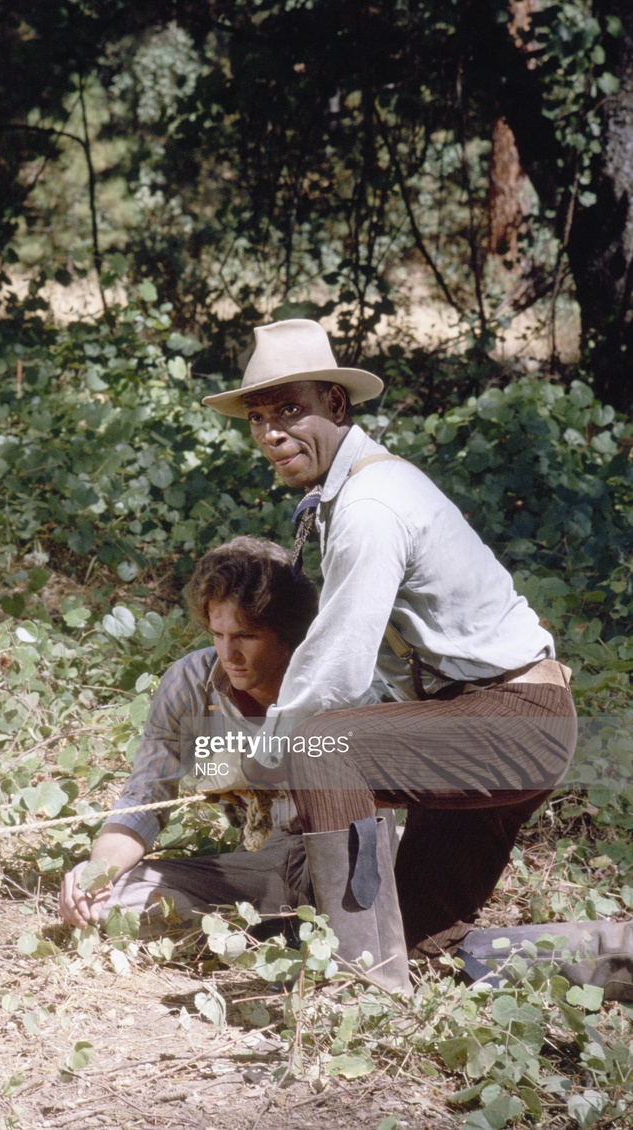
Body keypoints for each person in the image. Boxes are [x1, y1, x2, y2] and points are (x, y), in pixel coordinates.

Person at [202, 318, 578, 993]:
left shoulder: (370, 506)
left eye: (289, 410)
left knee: (322, 749)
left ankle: (362, 985)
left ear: (335, 403)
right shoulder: (353, 493)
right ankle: (613, 953)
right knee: (427, 944)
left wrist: (266, 757)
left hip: (513, 719)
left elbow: (338, 667)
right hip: (481, 718)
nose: (270, 433)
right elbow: (377, 673)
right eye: (257, 417)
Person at [58, 536, 325, 936]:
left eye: (247, 636)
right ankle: (260, 928)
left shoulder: (331, 683)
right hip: (256, 869)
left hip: (337, 857)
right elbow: (144, 799)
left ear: (287, 634)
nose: (229, 654)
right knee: (111, 903)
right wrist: (97, 873)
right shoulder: (191, 682)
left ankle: (283, 929)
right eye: (218, 634)